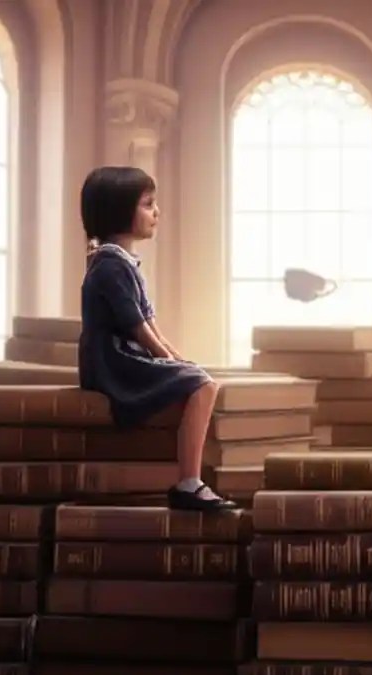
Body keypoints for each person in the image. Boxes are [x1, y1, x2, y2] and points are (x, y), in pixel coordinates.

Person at [77, 166, 236, 511]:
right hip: (113, 361)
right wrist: (169, 359)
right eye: (148, 204)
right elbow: (137, 327)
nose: (156, 212)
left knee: (192, 374)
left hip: (125, 354)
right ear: (120, 211)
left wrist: (176, 357)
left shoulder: (124, 263)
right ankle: (188, 482)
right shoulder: (109, 266)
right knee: (203, 385)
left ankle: (190, 480)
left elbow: (149, 321)